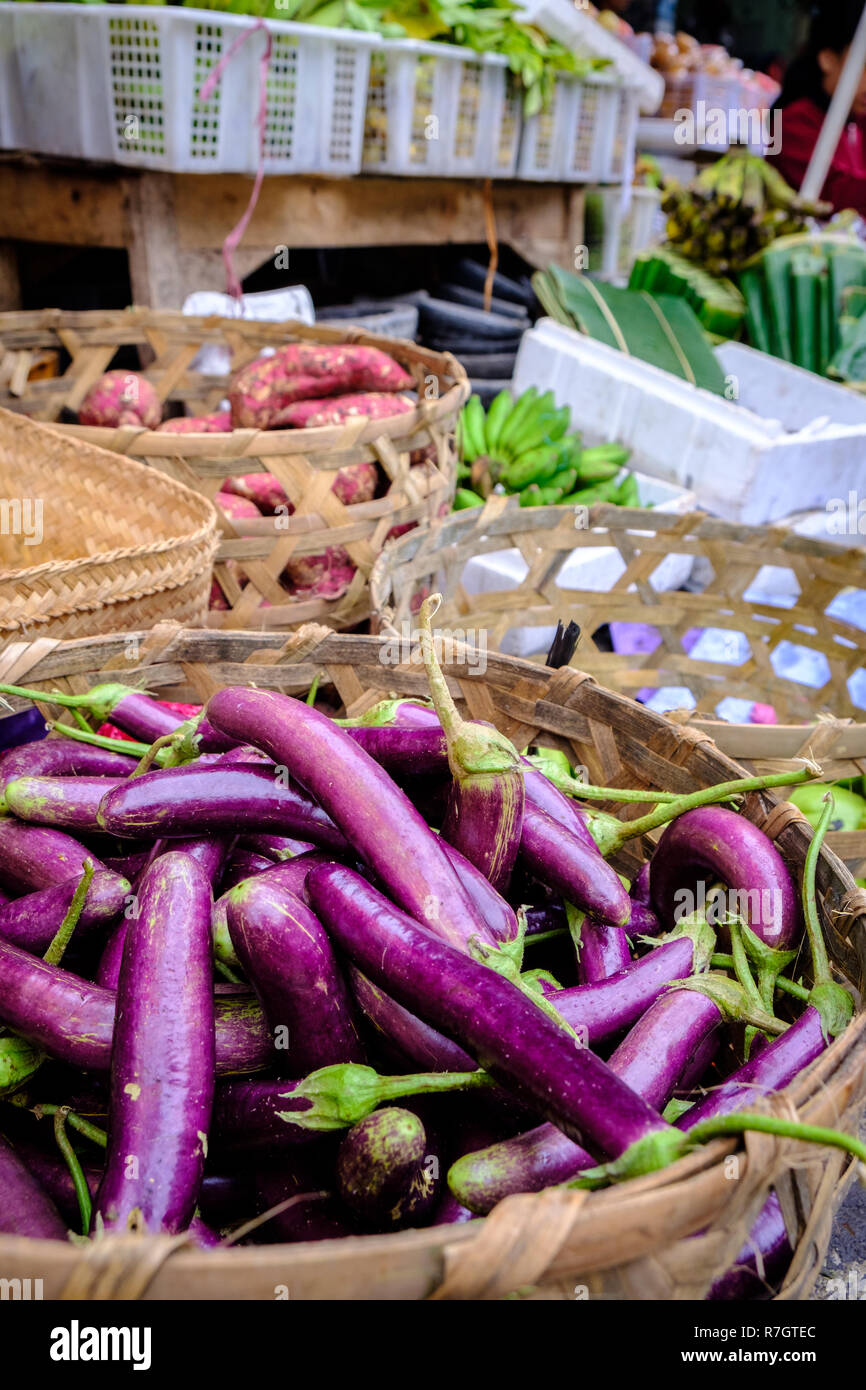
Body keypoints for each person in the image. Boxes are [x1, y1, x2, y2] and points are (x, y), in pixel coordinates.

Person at [770, 0, 866, 215]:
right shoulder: (792, 124)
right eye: (865, 66)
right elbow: (832, 193)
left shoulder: (858, 123)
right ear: (828, 60)